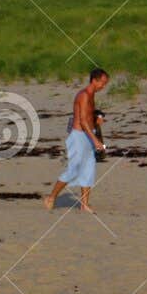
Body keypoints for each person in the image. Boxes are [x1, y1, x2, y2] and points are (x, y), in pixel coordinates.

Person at [44, 68, 109, 213]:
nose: (103, 86)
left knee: (89, 169)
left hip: (88, 135)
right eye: (103, 83)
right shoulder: (84, 95)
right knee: (74, 170)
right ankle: (51, 197)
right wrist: (96, 141)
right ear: (94, 80)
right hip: (79, 136)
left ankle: (84, 204)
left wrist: (97, 118)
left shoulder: (91, 95)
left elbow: (88, 116)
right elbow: (83, 121)